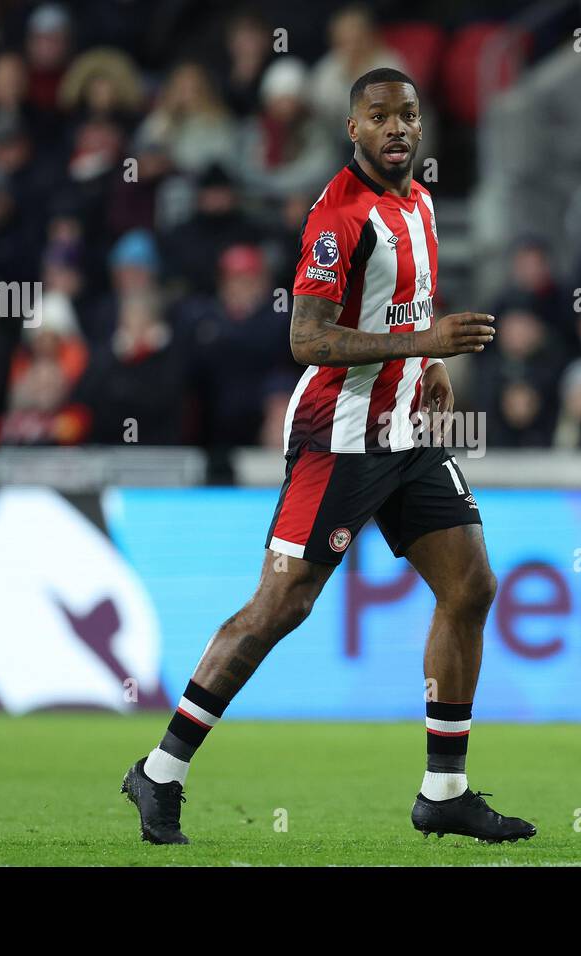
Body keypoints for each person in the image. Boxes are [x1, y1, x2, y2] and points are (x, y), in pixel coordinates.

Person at [121, 67, 536, 847]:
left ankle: (443, 791)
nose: (397, 128)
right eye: (380, 116)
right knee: (282, 607)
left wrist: (429, 364)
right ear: (353, 129)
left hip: (405, 431)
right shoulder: (337, 218)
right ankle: (161, 769)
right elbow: (306, 338)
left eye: (408, 114)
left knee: (472, 584)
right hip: (339, 435)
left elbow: (399, 306)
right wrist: (423, 343)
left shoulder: (421, 201)